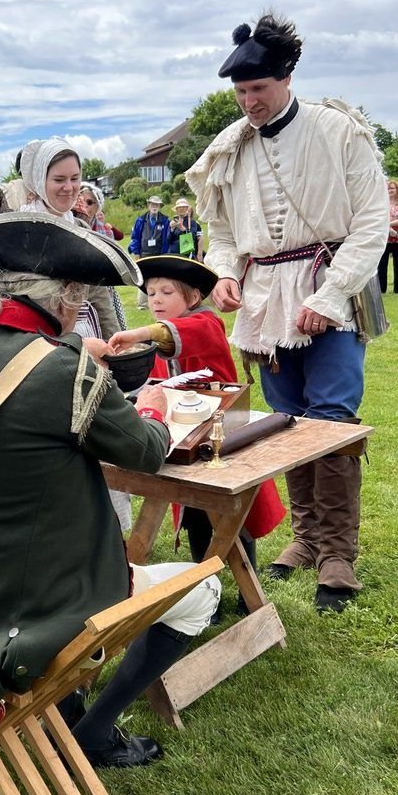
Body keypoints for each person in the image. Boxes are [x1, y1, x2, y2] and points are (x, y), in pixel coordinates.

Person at [0, 213, 220, 766]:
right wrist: (151, 404)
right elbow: (148, 450)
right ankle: (93, 732)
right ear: (64, 298)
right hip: (22, 614)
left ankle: (67, 707)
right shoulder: (63, 372)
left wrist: (78, 357)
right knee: (203, 592)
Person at [185, 13, 389, 613]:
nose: (249, 103)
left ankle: (337, 555)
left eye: (259, 90)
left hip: (328, 286)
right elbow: (220, 229)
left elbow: (372, 221)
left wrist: (330, 297)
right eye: (241, 93)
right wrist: (224, 273)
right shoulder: (230, 146)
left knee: (331, 420)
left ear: (287, 77)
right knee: (284, 418)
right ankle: (303, 538)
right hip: (264, 299)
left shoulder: (339, 130)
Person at [108, 254, 286, 599]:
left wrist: (139, 332)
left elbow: (182, 334)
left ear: (191, 298)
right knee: (194, 515)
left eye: (165, 292)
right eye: (151, 293)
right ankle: (207, 591)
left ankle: (247, 591)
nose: (155, 299)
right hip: (185, 441)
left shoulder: (205, 323)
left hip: (222, 437)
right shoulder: (160, 341)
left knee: (233, 515)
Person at [20, 138, 121, 339]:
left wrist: (115, 345)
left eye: (75, 178)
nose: (69, 187)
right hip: (35, 340)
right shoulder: (21, 231)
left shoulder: (81, 229)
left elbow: (99, 296)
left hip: (85, 338)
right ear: (41, 180)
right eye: (59, 180)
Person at [128, 195, 171, 308]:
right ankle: (142, 303)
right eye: (152, 204)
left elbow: (166, 239)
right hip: (144, 254)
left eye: (157, 205)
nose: (154, 207)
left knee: (159, 279)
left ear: (160, 206)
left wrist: (165, 255)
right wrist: (137, 254)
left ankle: (158, 302)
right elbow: (135, 238)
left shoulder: (165, 220)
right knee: (143, 278)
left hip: (159, 254)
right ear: (148, 205)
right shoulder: (141, 220)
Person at [377, 179, 398, 293]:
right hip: (384, 238)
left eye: (392, 188)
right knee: (381, 265)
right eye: (388, 188)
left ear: (397, 190)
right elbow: (379, 218)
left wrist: (388, 224)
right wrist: (388, 228)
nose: (390, 190)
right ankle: (381, 289)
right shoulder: (382, 204)